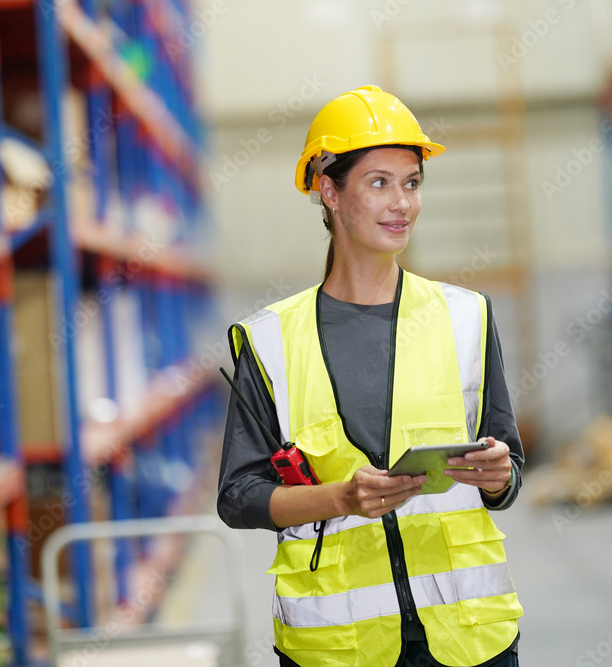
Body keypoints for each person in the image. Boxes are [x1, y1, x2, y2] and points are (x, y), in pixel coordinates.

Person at [218, 85, 524, 667]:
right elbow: (239, 496)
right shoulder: (270, 340)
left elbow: (507, 469)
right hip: (338, 646)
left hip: (469, 636)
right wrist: (341, 498)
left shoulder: (466, 316)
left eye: (412, 183)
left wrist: (496, 475)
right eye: (379, 182)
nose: (402, 203)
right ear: (329, 191)